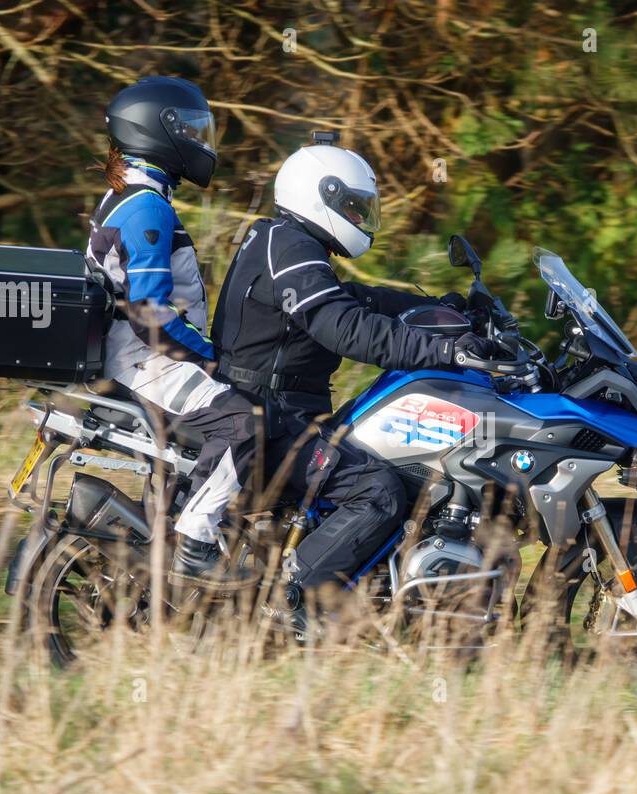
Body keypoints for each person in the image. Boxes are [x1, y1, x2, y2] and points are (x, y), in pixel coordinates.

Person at [210, 133, 494, 623]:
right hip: (266, 417)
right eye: (355, 207)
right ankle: (291, 600)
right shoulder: (290, 245)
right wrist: (446, 352)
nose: (362, 218)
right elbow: (344, 328)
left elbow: (354, 300)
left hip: (278, 410)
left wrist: (439, 308)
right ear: (321, 196)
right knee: (378, 491)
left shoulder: (287, 243)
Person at [87, 76, 253, 585]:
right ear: (159, 132)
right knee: (244, 422)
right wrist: (215, 358)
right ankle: (194, 541)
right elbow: (150, 315)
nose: (201, 142)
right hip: (145, 364)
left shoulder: (130, 197)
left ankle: (165, 557)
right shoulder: (145, 206)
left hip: (135, 362)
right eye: (193, 130)